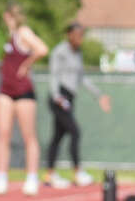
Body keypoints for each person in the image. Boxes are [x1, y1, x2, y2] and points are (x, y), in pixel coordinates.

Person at [45, 23, 112, 188]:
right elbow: (54, 75)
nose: (80, 39)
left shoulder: (78, 53)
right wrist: (57, 96)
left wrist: (99, 95)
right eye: (77, 35)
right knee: (75, 131)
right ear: (69, 35)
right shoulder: (60, 51)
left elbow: (82, 77)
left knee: (57, 137)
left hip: (70, 97)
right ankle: (77, 171)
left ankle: (50, 173)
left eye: (82, 35)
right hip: (60, 97)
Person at [0, 2, 49, 196]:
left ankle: (32, 177)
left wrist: (27, 64)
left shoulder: (23, 32)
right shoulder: (8, 37)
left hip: (24, 91)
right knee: (3, 134)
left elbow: (42, 49)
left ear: (10, 16)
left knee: (29, 136)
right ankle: (1, 177)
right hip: (5, 91)